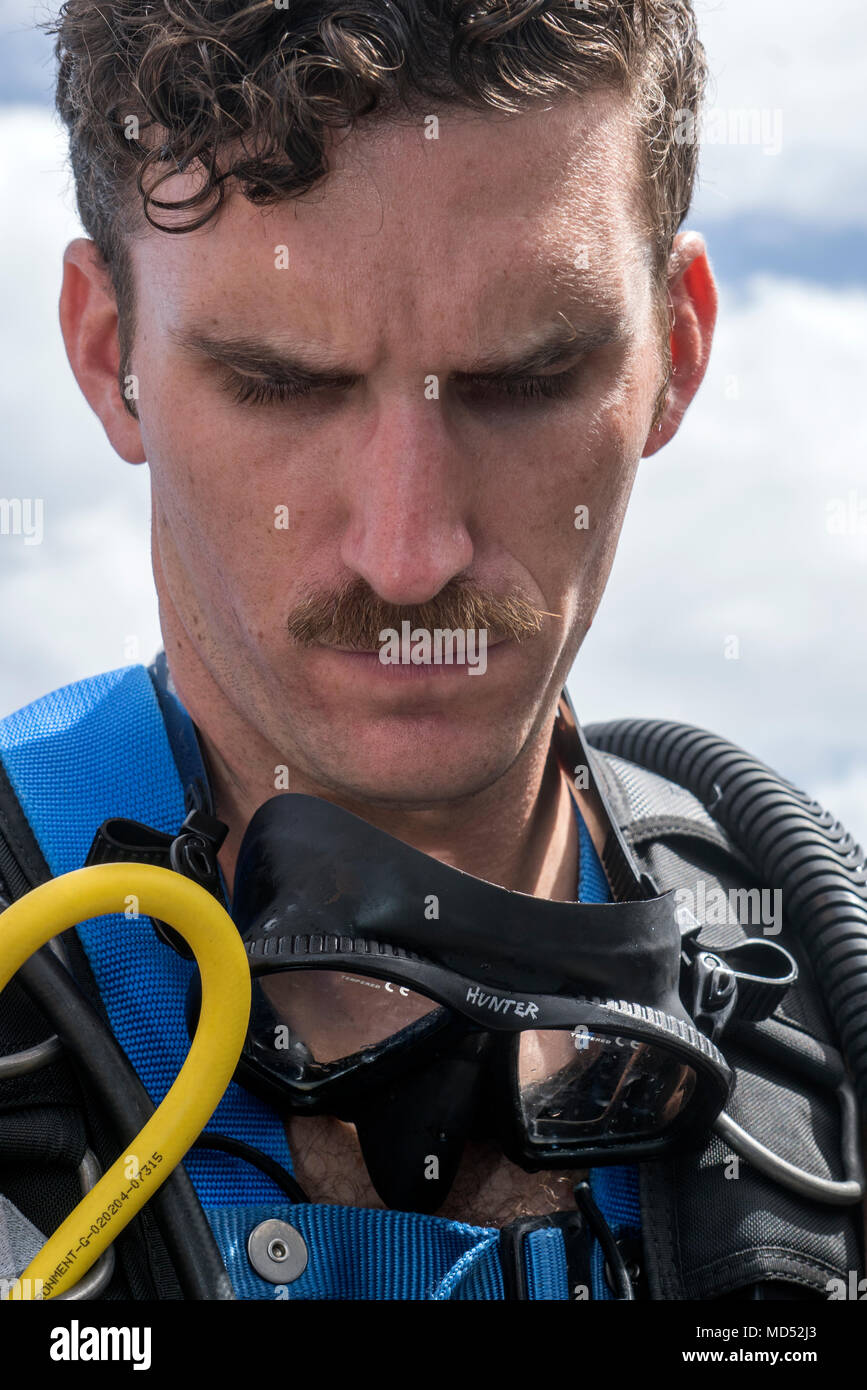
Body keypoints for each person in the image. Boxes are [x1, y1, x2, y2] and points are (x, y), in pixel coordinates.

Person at [0, 0, 862, 1304]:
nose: (410, 556)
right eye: (282, 382)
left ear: (676, 351)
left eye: (527, 379)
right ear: (108, 348)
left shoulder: (829, 990)